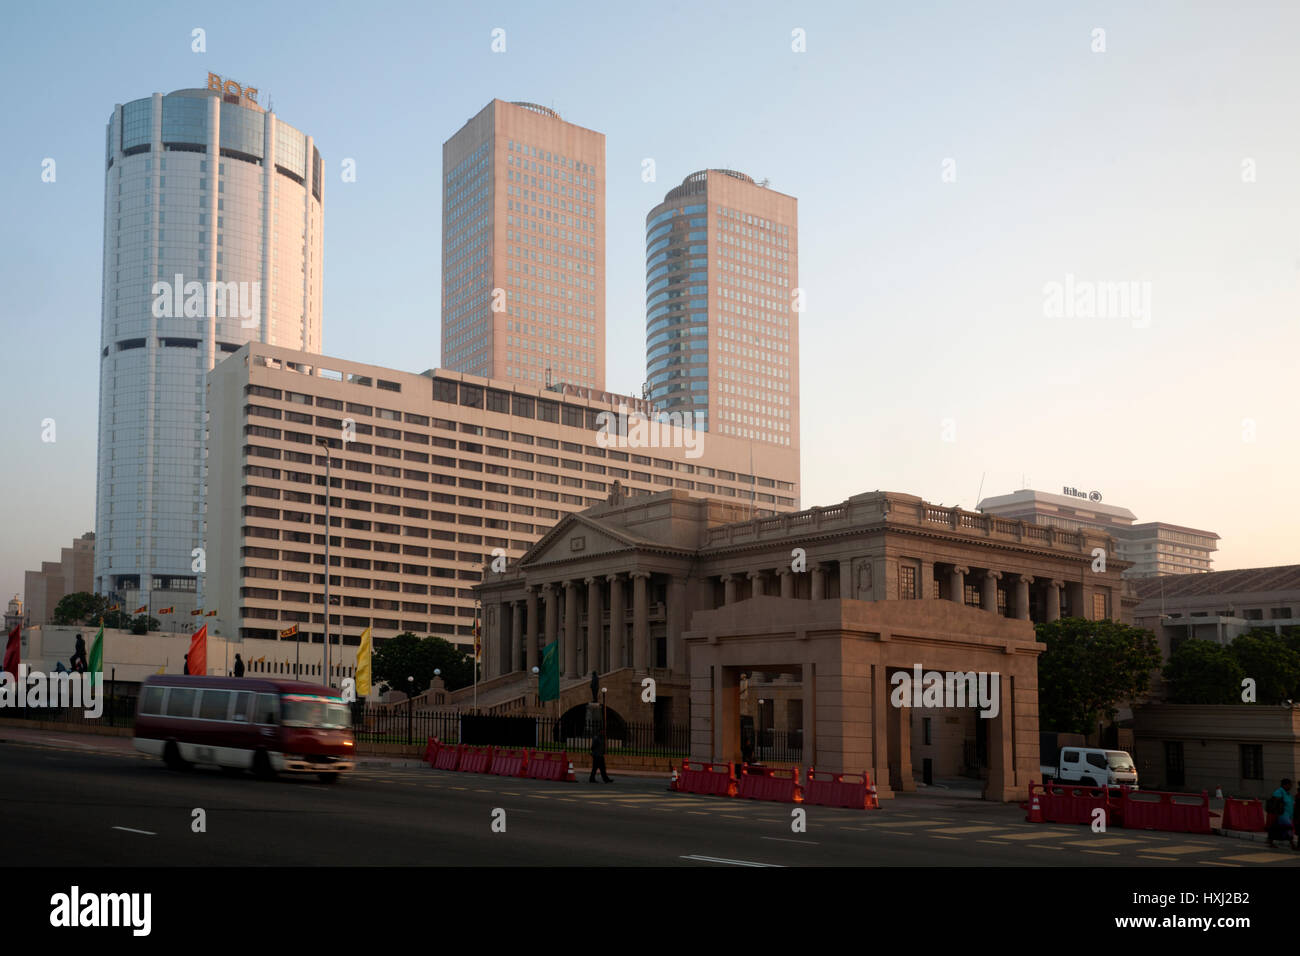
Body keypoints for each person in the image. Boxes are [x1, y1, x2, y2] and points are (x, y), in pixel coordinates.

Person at [1267, 778, 1297, 849]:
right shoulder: (1279, 792)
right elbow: (1275, 803)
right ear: (1284, 785)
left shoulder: (1287, 793)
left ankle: (1270, 842)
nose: (1290, 787)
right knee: (1288, 828)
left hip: (1288, 815)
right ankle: (1292, 844)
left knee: (1277, 829)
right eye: (1289, 785)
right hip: (1282, 814)